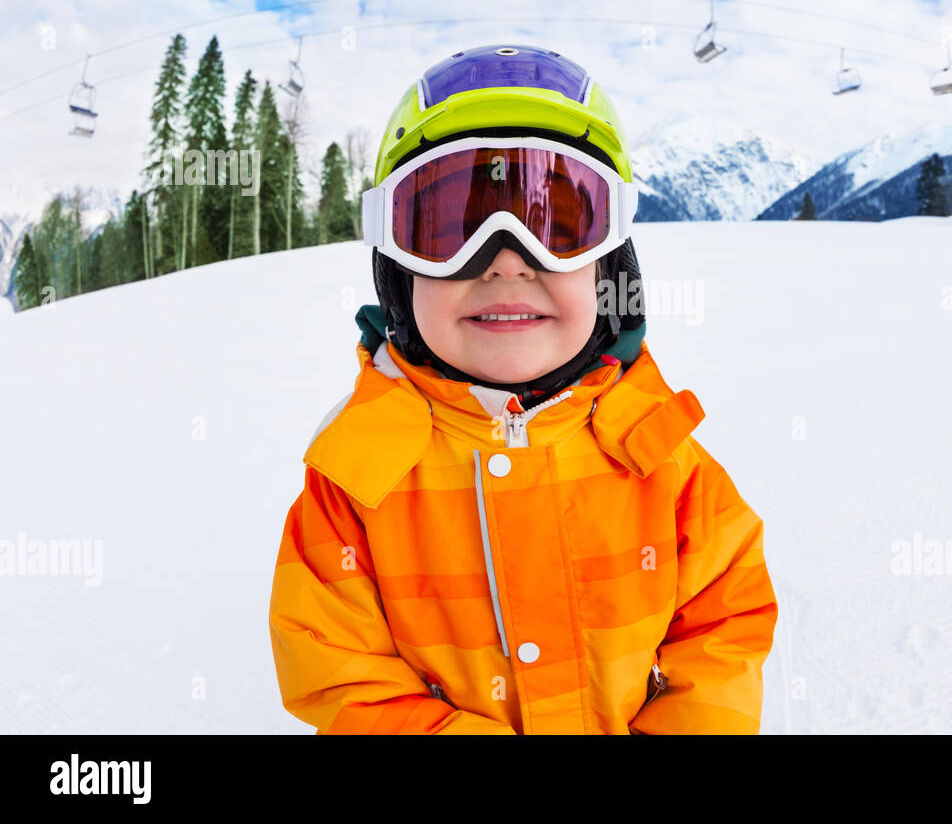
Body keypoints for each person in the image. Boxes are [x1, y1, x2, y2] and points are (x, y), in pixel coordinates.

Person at [267, 44, 778, 734]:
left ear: (610, 267)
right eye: (448, 229)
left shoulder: (659, 455)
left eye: (558, 226)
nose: (507, 261)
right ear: (396, 272)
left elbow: (725, 627)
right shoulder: (356, 482)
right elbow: (339, 673)